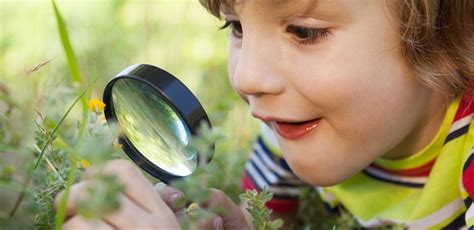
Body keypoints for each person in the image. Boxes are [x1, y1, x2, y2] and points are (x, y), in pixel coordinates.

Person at [56, 0, 473, 229]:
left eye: (304, 31)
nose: (247, 77)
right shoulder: (290, 130)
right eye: (236, 27)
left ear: (445, 29)